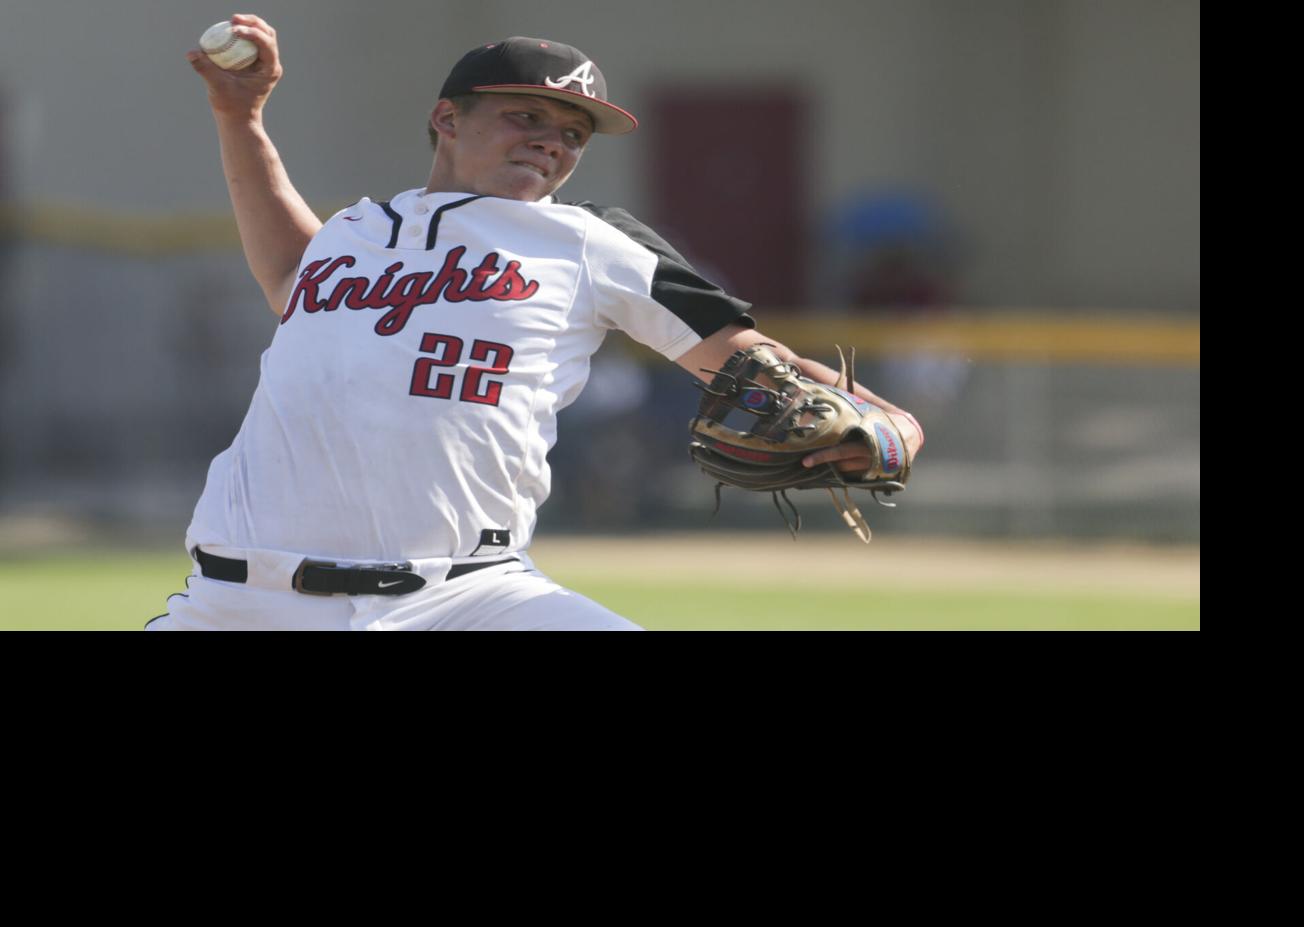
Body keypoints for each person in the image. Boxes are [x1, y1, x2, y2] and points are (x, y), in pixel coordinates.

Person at [151, 15, 923, 630]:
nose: (552, 142)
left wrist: (882, 417)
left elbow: (755, 362)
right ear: (446, 118)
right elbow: (292, 276)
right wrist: (240, 115)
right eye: (527, 115)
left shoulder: (587, 241)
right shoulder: (355, 231)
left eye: (573, 135)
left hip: (469, 600)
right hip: (244, 602)